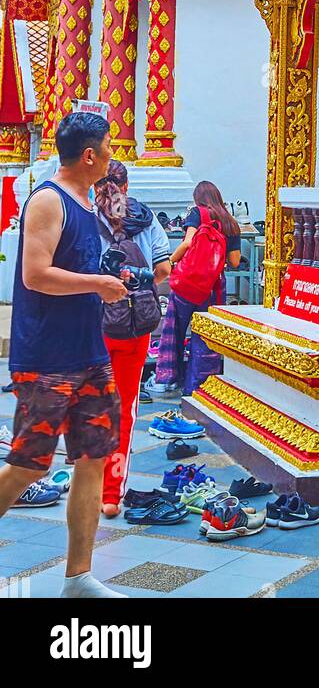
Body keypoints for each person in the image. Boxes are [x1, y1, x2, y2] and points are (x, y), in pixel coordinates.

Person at [0, 112, 129, 598]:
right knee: (31, 463)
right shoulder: (48, 201)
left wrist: (108, 281)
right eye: (109, 145)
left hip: (87, 353)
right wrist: (97, 284)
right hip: (46, 357)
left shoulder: (85, 200)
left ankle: (79, 577)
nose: (113, 152)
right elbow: (36, 274)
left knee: (94, 457)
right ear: (89, 154)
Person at [94, 161, 171, 518]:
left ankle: (87, 482)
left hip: (95, 326)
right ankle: (111, 492)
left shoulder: (82, 216)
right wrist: (137, 278)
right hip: (135, 325)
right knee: (124, 408)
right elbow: (164, 271)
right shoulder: (147, 218)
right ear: (127, 185)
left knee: (90, 404)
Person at [154, 181, 241, 397]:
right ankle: (199, 386)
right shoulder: (231, 223)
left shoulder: (197, 213)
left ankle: (168, 379)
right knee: (204, 335)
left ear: (198, 199)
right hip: (213, 287)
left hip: (187, 284)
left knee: (174, 331)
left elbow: (187, 243)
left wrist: (170, 263)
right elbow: (236, 262)